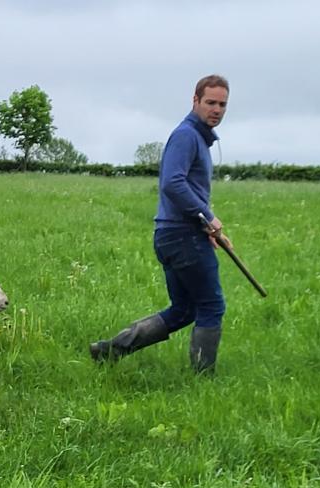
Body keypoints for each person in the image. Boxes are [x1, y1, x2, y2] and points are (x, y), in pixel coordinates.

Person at [90, 75, 230, 372]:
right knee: (211, 306)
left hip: (175, 235)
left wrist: (210, 228)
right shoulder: (186, 136)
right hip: (181, 236)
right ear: (195, 101)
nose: (217, 109)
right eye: (210, 102)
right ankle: (203, 379)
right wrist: (207, 216)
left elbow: (187, 189)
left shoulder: (197, 138)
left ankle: (109, 351)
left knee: (183, 310)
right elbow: (172, 184)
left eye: (222, 104)